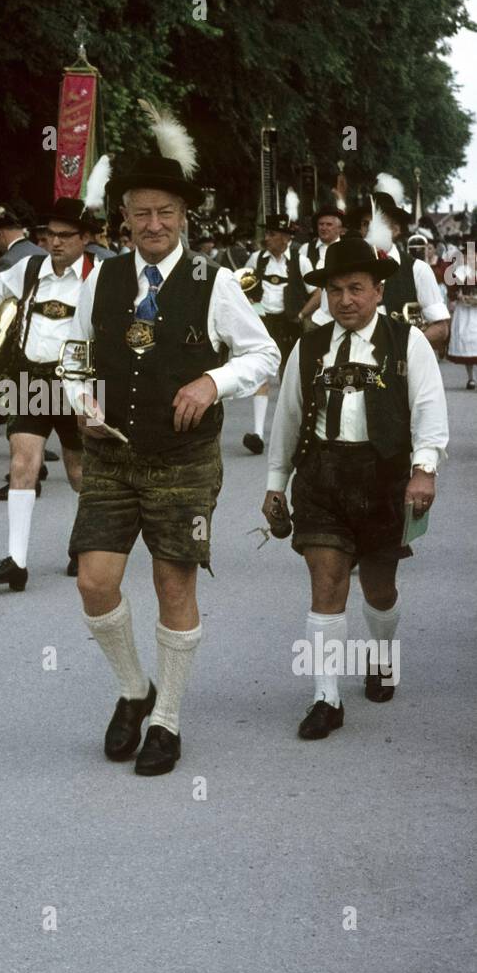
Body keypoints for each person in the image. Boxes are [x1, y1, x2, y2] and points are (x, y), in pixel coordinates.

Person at [66, 150, 280, 776]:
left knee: (172, 583)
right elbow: (74, 354)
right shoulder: (98, 280)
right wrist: (81, 399)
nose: (153, 224)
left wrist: (212, 381)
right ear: (124, 220)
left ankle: (168, 719)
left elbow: (263, 353)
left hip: (183, 460)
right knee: (94, 581)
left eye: (164, 212)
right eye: (141, 214)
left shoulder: (214, 281)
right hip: (111, 453)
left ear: (183, 216)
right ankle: (135, 691)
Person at [262, 232, 448, 739]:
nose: (345, 300)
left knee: (380, 588)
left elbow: (430, 407)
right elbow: (288, 416)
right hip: (322, 477)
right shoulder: (310, 344)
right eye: (336, 290)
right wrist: (276, 482)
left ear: (378, 291)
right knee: (326, 583)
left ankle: (383, 655)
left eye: (357, 288)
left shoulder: (405, 342)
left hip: (384, 476)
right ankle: (326, 696)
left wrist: (424, 468)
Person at [0, 198, 94, 590]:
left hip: (79, 382)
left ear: (86, 238)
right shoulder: (29, 268)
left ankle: (84, 544)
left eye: (65, 236)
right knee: (22, 463)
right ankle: (17, 559)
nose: (55, 243)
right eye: (49, 235)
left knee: (78, 472)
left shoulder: (101, 275)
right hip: (30, 377)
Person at [240, 212, 307, 454]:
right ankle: (257, 433)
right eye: (267, 233)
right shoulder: (256, 259)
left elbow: (318, 292)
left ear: (286, 238)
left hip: (290, 324)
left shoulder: (300, 260)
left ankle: (297, 432)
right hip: (264, 324)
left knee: (291, 379)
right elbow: (243, 287)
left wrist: (300, 315)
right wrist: (253, 310)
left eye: (272, 234)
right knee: (261, 375)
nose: (267, 238)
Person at [367, 182, 450, 353]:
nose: (369, 230)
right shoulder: (349, 270)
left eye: (378, 223)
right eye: (364, 224)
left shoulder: (417, 270)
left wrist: (405, 348)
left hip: (404, 366)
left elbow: (441, 328)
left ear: (395, 230)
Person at [297, 204, 344, 327]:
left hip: (341, 316)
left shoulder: (347, 248)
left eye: (329, 225)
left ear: (339, 228)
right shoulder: (305, 249)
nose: (324, 228)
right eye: (321, 224)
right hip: (313, 318)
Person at [447, 248, 477, 389]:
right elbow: (451, 291)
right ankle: (471, 378)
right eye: (465, 256)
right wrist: (458, 295)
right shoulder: (460, 272)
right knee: (467, 341)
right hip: (465, 311)